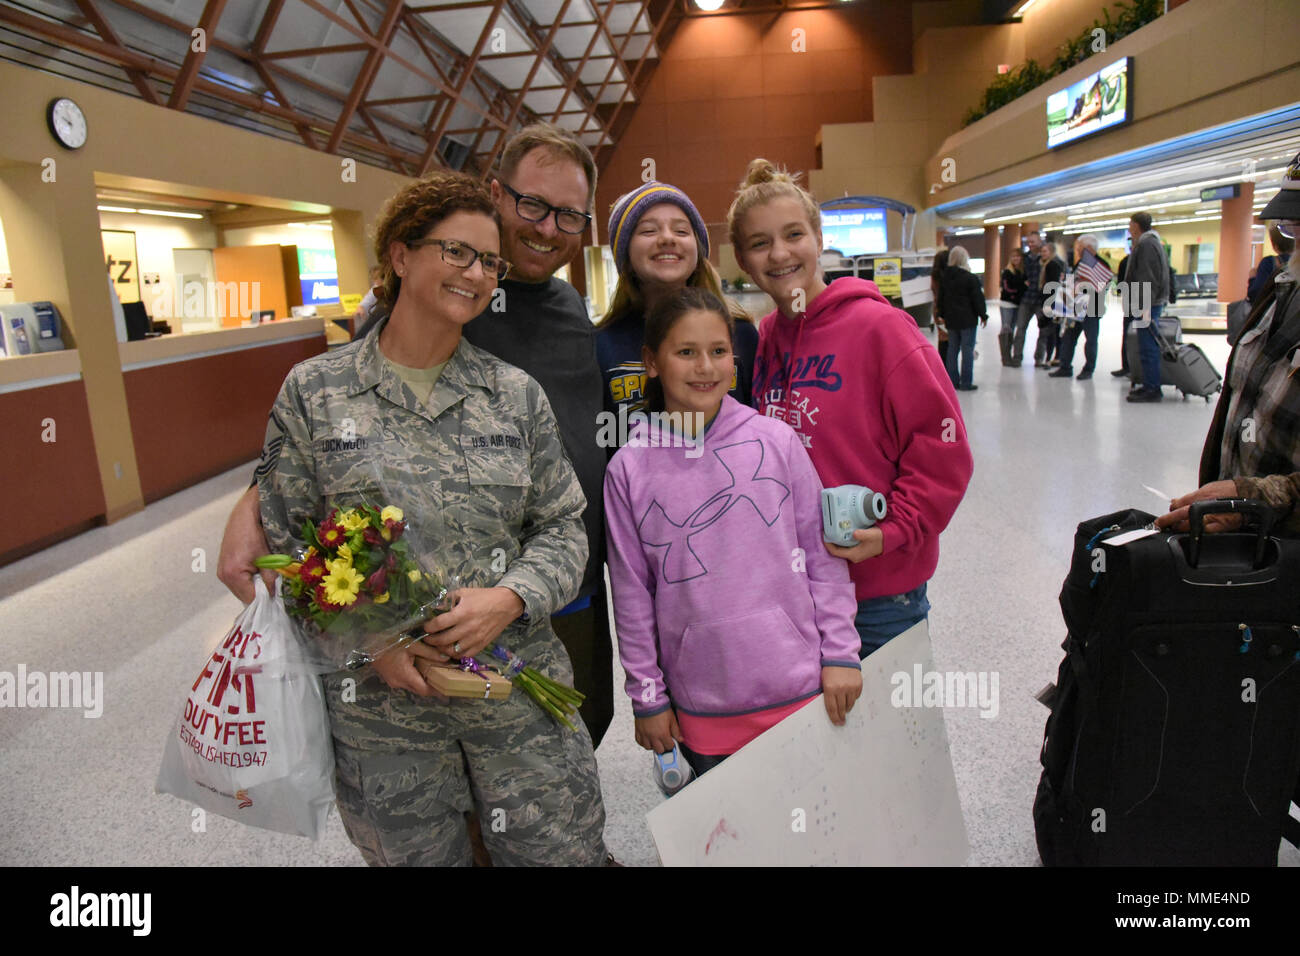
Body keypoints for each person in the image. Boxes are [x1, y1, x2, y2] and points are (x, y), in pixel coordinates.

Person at [222, 123, 616, 750]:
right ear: (496, 192)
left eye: (570, 215)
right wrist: (254, 497)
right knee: (452, 738)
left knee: (573, 725)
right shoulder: (431, 297)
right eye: (533, 205)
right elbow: (331, 418)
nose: (548, 228)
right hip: (443, 598)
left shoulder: (571, 308)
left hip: (561, 578)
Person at [603, 287, 863, 776]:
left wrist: (842, 654)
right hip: (702, 707)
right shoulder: (629, 470)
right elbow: (632, 596)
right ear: (651, 362)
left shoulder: (777, 441)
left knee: (808, 833)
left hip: (802, 690)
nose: (705, 366)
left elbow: (823, 556)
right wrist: (648, 697)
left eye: (718, 351)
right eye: (686, 352)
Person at [728, 158, 974, 658]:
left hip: (880, 592)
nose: (780, 254)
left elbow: (944, 447)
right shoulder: (767, 337)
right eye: (760, 243)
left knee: (891, 734)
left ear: (818, 238)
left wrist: (892, 531)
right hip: (799, 588)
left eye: (794, 234)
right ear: (742, 258)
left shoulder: (882, 330)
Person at [1157, 155, 1300, 534]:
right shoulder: (1283, 290)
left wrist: (1256, 500)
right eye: (1293, 226)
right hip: (1254, 544)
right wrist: (1232, 497)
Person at [595, 181, 758, 422]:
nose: (667, 239)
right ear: (625, 254)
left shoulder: (741, 335)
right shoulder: (600, 345)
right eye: (649, 231)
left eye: (681, 231)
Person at [1050, 233, 1113, 380]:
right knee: (1068, 337)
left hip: (1092, 308)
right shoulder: (1080, 264)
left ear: (1089, 247)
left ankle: (1088, 369)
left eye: (1080, 246)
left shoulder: (1101, 265)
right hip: (1075, 308)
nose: (1077, 249)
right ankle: (1065, 366)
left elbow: (1103, 286)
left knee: (1090, 340)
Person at [1125, 211, 1172, 403]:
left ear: (1136, 226)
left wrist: (1144, 305)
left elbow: (1147, 277)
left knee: (1148, 346)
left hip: (1148, 304)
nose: (1129, 228)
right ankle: (1148, 384)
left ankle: (1152, 388)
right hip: (1148, 302)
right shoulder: (1150, 243)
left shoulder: (1146, 245)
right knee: (1146, 345)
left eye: (1130, 225)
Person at [936, 245, 987, 391]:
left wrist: (942, 315)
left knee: (952, 349)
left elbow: (942, 298)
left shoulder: (945, 278)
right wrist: (983, 315)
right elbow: (977, 299)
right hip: (968, 319)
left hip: (951, 319)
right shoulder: (970, 278)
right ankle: (966, 382)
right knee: (967, 350)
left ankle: (952, 381)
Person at [1009, 229, 1043, 367]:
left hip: (1040, 300)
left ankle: (1039, 358)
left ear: (1039, 241)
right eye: (1028, 242)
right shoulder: (1025, 258)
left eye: (1033, 241)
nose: (1031, 244)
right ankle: (1017, 357)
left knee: (1043, 330)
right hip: (1027, 299)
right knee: (1020, 328)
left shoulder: (1045, 257)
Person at [1034, 239, 1066, 368]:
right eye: (1041, 251)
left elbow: (1052, 286)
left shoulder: (1052, 265)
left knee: (1050, 331)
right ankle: (1056, 357)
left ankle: (1050, 358)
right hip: (1057, 302)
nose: (1042, 253)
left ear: (1051, 252)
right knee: (1055, 331)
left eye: (1045, 251)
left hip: (1052, 302)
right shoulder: (1055, 263)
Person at [1247, 224, 1294, 305]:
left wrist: (1252, 278)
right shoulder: (1296, 264)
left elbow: (1256, 293)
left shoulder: (1269, 262)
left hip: (1275, 312)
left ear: (1274, 245)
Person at [999, 249, 1027, 366]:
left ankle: (1014, 355)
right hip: (1007, 305)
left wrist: (1019, 288)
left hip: (1018, 305)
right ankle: (1005, 357)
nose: (1015, 259)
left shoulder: (1023, 272)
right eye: (1013, 256)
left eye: (1018, 257)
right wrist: (1021, 287)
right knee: (1006, 329)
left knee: (1015, 328)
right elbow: (1007, 288)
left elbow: (1023, 287)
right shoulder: (1007, 272)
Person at [1111, 252, 1132, 377]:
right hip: (1131, 300)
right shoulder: (1126, 260)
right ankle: (1127, 366)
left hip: (1145, 301)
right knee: (1127, 334)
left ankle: (1135, 368)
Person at [930, 247, 950, 366]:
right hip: (946, 309)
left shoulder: (934, 276)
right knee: (949, 340)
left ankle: (942, 366)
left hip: (937, 309)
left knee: (942, 337)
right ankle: (948, 367)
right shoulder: (948, 277)